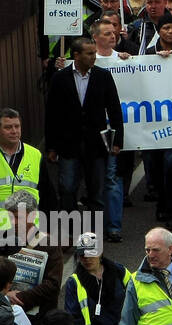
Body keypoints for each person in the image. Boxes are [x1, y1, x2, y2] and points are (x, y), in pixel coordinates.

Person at [45, 36, 124, 215]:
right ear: (76, 55)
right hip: (68, 144)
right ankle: (70, 226)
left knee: (96, 191)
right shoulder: (60, 78)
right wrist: (51, 147)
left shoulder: (103, 76)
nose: (93, 57)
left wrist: (117, 141)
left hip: (95, 144)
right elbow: (52, 115)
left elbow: (114, 110)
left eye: (94, 53)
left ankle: (94, 228)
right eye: (89, 54)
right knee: (67, 187)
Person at [0, 193, 65, 324]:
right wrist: (4, 296)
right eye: (11, 217)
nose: (13, 222)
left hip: (40, 320)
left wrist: (16, 297)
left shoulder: (49, 244)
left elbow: (52, 285)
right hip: (6, 316)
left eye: (18, 217)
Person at [0, 107, 43, 235]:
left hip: (30, 229)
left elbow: (47, 195)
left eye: (17, 126)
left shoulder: (35, 155)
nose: (14, 131)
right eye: (8, 127)